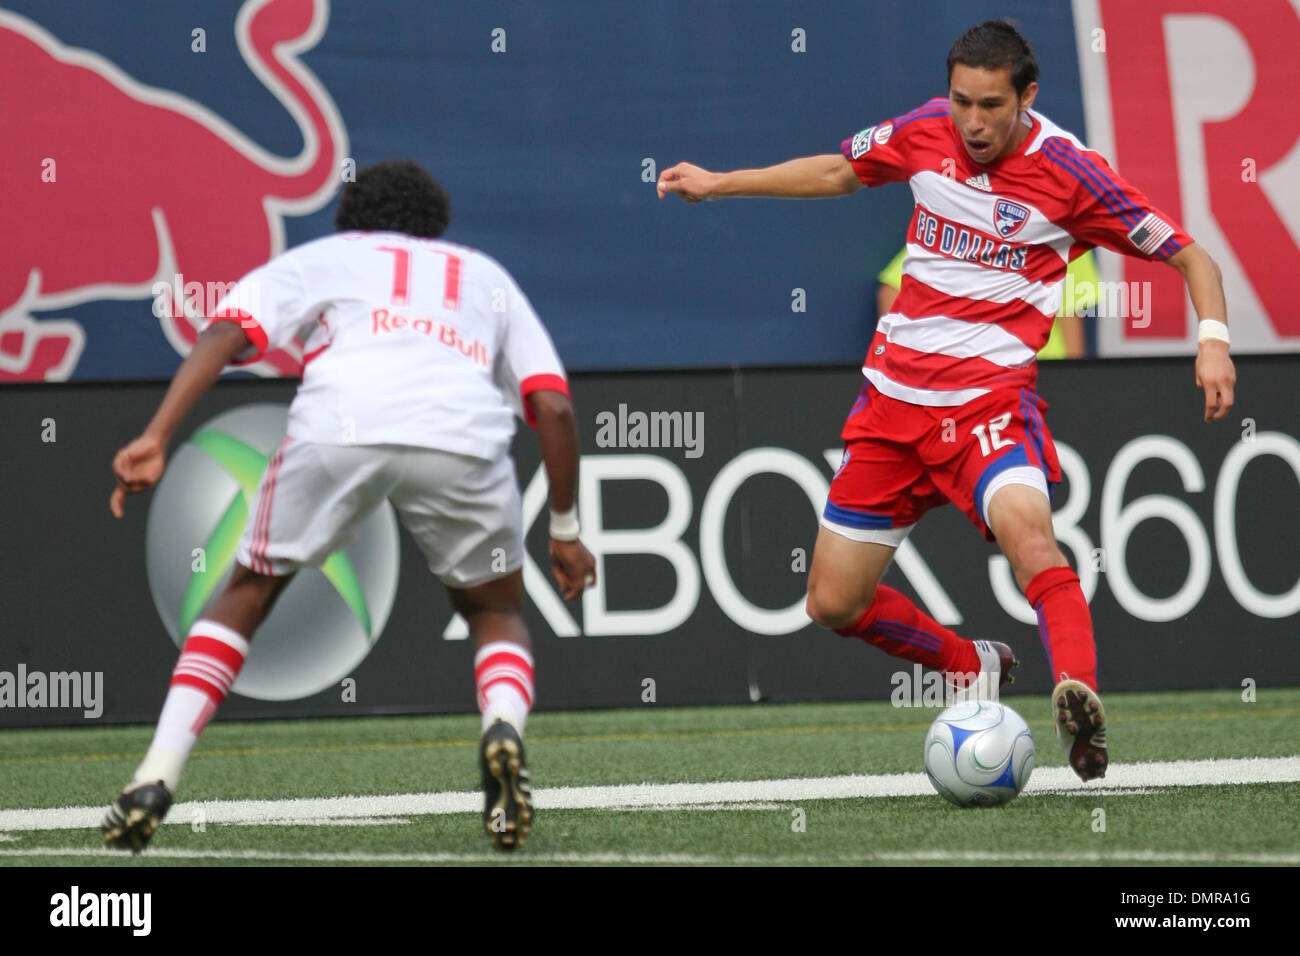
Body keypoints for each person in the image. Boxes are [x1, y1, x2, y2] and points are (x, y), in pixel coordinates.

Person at [658, 21, 1236, 781]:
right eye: (963, 100)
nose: (972, 121)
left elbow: (1190, 254)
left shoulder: (1072, 175)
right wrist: (721, 181)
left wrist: (1214, 340)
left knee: (1033, 544)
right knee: (832, 602)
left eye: (991, 105)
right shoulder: (928, 128)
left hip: (987, 408)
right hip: (891, 410)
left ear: (1027, 97)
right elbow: (839, 171)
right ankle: (971, 663)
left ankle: (1080, 703)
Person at [102, 159, 595, 851]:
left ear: (351, 220)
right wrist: (566, 531)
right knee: (494, 608)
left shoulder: (326, 257)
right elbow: (552, 406)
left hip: (342, 424)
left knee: (250, 586)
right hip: (462, 434)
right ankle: (501, 729)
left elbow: (225, 334)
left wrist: (156, 435)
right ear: (435, 226)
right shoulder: (483, 274)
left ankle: (155, 775)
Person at [877, 246, 1095, 358]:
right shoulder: (959, 225)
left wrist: (1068, 380)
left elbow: (1069, 314)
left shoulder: (1061, 235)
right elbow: (892, 290)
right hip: (966, 381)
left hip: (1039, 379)